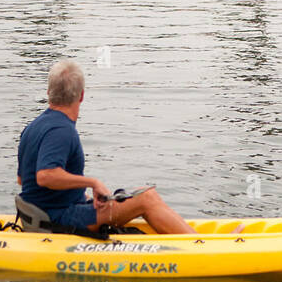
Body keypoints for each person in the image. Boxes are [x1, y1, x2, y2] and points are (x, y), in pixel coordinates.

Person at [16, 60, 196, 236]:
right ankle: (200, 246)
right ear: (81, 96)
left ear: (49, 92)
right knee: (147, 198)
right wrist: (93, 183)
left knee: (139, 195)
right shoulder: (62, 131)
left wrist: (80, 195)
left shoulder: (33, 127)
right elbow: (45, 176)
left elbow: (23, 180)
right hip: (57, 219)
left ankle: (194, 238)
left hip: (48, 213)